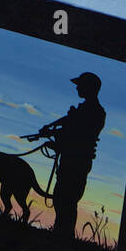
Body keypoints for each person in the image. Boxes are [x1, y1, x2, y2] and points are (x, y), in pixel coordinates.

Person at [35, 72, 106, 239]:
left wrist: (56, 140)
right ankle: (61, 236)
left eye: (80, 85)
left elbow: (78, 136)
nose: (77, 87)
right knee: (62, 200)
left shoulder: (94, 112)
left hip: (77, 163)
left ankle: (63, 238)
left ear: (89, 88)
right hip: (72, 160)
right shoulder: (85, 110)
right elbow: (70, 126)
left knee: (66, 201)